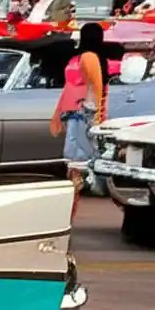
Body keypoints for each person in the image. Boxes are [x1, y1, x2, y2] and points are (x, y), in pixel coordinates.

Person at [51, 22, 109, 220]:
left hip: (84, 111)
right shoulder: (78, 57)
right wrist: (59, 113)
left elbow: (97, 87)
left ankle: (78, 188)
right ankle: (77, 187)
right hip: (74, 111)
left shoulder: (90, 58)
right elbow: (69, 86)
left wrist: (97, 115)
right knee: (76, 153)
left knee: (80, 154)